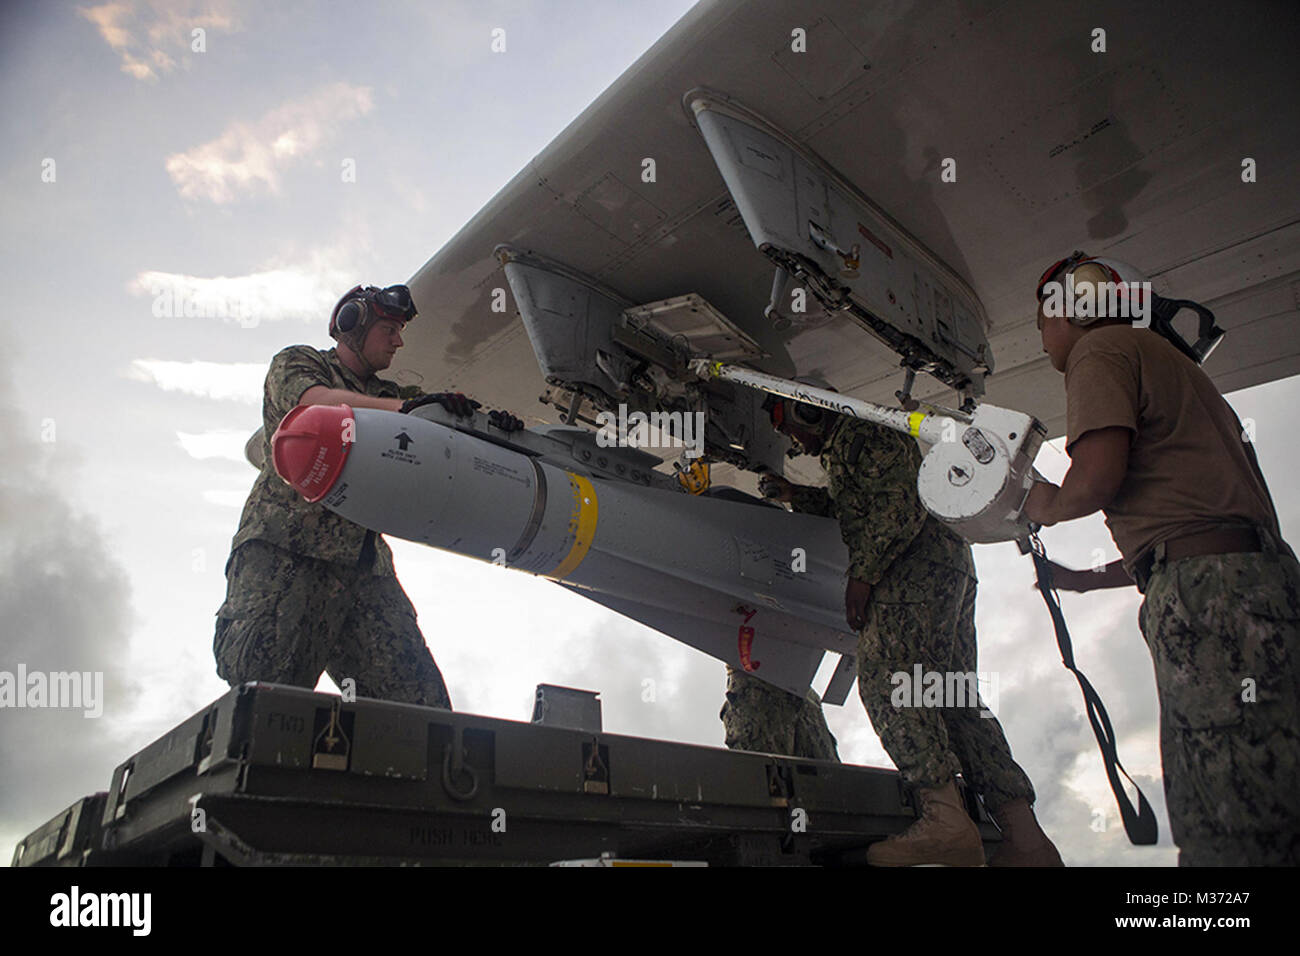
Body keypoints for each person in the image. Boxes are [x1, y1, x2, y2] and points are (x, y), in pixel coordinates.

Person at [1025, 252, 1300, 865]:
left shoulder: (1100, 352)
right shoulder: (1176, 366)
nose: (1043, 339)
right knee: (1273, 792)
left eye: (1043, 322)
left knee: (1228, 823)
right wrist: (1083, 581)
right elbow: (1195, 529)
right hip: (1253, 585)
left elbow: (1093, 481)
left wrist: (1038, 502)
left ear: (1069, 309)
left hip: (1211, 606)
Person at [763, 387, 1062, 866]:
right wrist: (796, 495)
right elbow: (862, 505)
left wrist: (862, 574)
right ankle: (1024, 837)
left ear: (808, 409)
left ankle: (945, 820)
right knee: (952, 695)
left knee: (890, 683)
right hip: (946, 568)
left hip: (914, 571)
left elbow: (897, 508)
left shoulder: (860, 434)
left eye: (788, 425)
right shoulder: (853, 449)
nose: (792, 440)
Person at [214, 283, 522, 708]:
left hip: (363, 570)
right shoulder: (298, 363)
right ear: (351, 326)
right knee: (266, 693)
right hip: (288, 552)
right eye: (389, 330)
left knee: (419, 707)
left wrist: (489, 428)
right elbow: (316, 407)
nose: (398, 341)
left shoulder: (391, 397)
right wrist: (412, 412)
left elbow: (441, 437)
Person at [718, 477, 841, 763]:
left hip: (778, 682)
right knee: (791, 783)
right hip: (774, 680)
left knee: (778, 783)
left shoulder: (766, 569)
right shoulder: (750, 569)